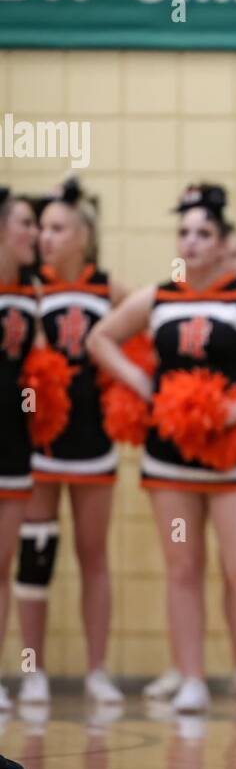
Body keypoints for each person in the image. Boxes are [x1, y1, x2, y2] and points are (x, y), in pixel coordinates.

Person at [87, 183, 236, 715]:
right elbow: (99, 339)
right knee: (182, 569)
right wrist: (144, 385)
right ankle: (190, 679)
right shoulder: (157, 297)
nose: (191, 241)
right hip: (169, 456)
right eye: (184, 232)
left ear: (223, 241)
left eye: (203, 233)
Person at [16, 180, 125, 706]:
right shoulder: (27, 288)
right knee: (35, 554)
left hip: (94, 437)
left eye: (58, 228)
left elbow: (154, 334)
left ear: (85, 235)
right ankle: (31, 669)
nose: (46, 237)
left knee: (93, 555)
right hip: (39, 440)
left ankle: (97, 671)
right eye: (42, 228)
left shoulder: (110, 290)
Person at [0, 188, 39, 722]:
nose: (35, 233)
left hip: (13, 445)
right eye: (27, 223)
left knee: (0, 568)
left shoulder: (33, 291)